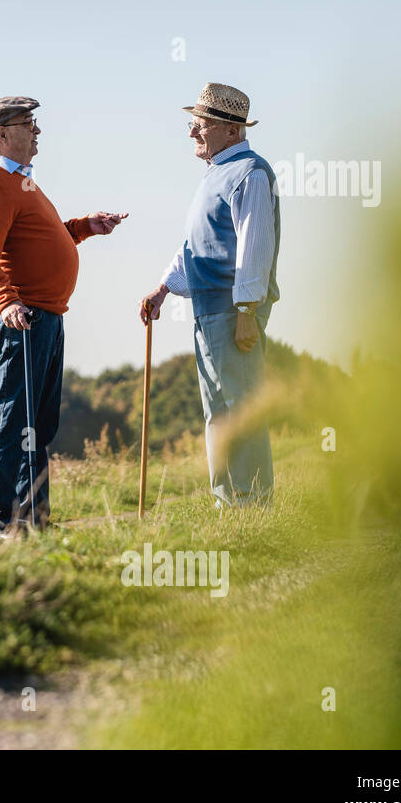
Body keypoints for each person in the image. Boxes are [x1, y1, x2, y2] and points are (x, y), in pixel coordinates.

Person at [0, 95, 127, 539]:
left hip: (43, 314)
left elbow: (40, 238)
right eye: (27, 123)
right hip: (18, 315)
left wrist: (84, 227)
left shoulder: (21, 181)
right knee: (14, 417)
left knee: (38, 423)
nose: (37, 131)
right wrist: (6, 301)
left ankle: (31, 521)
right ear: (0, 133)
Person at [140, 83, 280, 507]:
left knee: (239, 407)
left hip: (232, 308)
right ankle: (228, 502)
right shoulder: (215, 174)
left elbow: (254, 246)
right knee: (218, 409)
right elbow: (194, 246)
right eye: (193, 124)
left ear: (232, 131)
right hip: (208, 308)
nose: (192, 134)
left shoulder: (250, 173)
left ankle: (252, 502)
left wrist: (246, 309)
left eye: (200, 126)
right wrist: (164, 288)